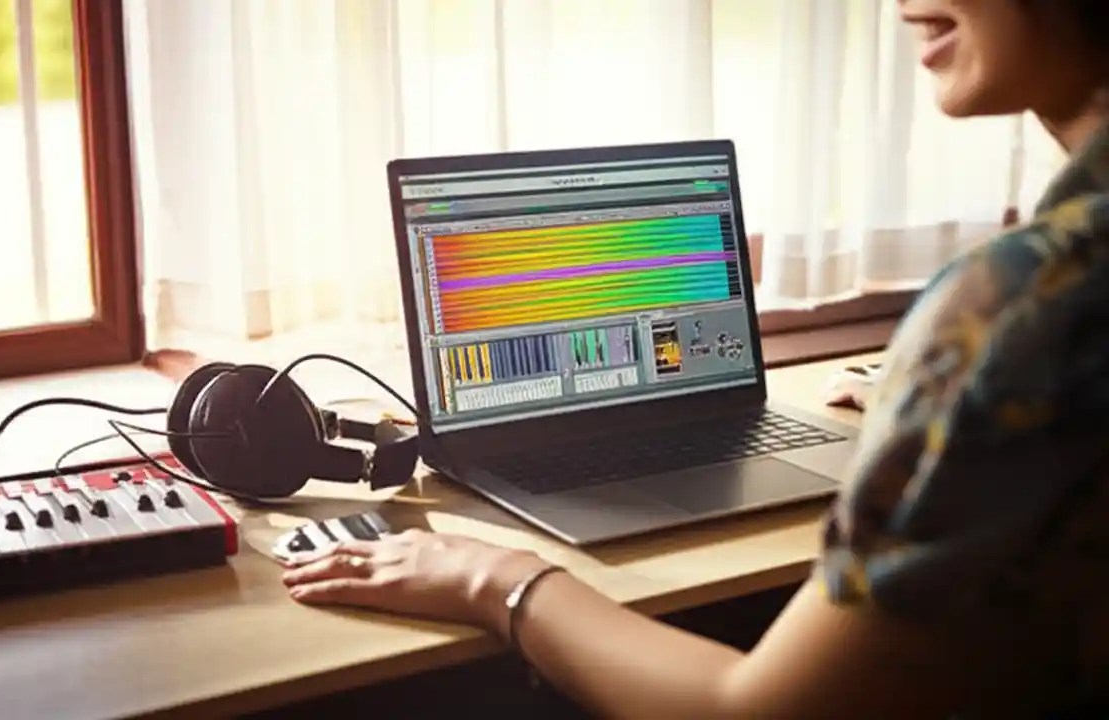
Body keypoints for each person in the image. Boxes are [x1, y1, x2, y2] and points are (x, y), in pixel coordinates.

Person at [280, 1, 1109, 716]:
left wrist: (490, 579)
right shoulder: (1038, 322)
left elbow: (755, 714)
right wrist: (936, 394)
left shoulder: (1028, 306)